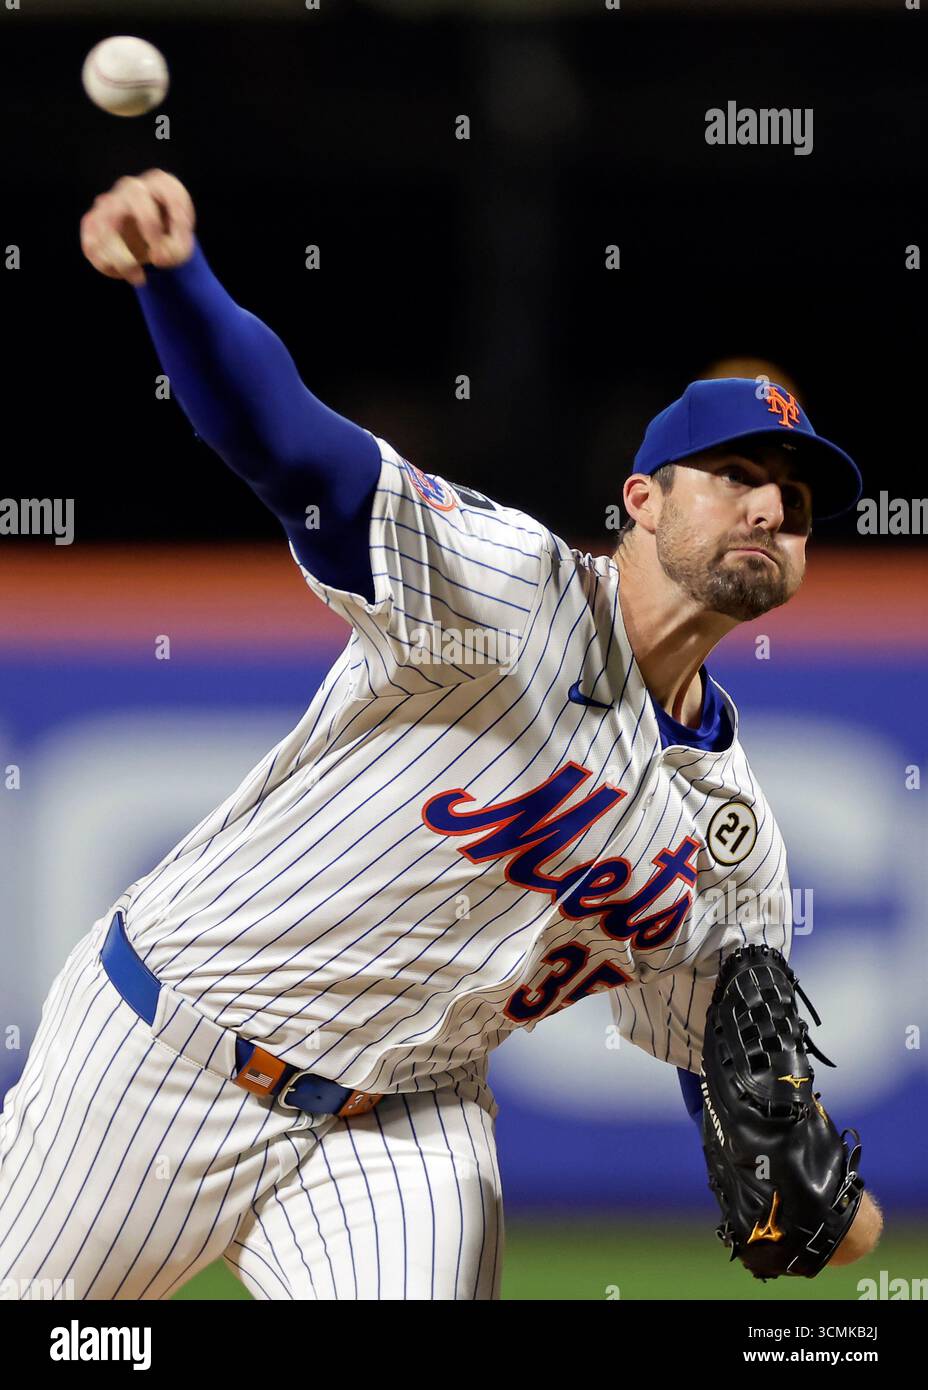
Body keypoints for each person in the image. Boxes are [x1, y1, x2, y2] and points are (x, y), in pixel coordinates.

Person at [0, 171, 881, 1301]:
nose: (770, 508)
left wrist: (796, 1160)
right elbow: (296, 451)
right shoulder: (506, 585)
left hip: (406, 1123)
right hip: (163, 1055)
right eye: (737, 477)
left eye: (797, 502)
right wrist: (178, 281)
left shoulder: (734, 837)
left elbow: (729, 1056)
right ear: (643, 501)